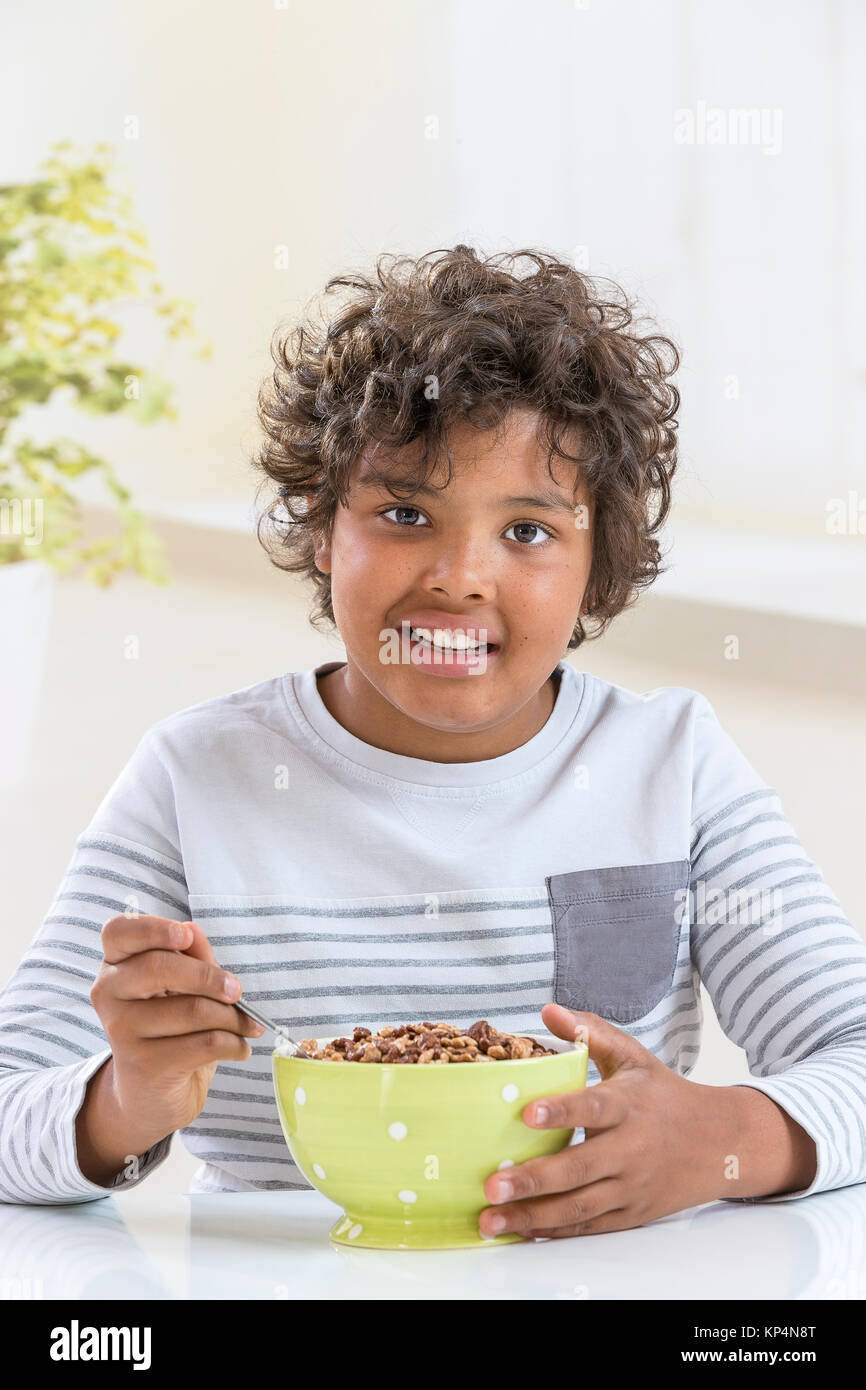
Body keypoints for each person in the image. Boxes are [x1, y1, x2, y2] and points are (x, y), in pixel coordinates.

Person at [1, 245, 864, 1242]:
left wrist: (724, 1134)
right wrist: (127, 1097)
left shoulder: (672, 766)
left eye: (528, 531)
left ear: (599, 563)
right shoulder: (196, 778)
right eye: (404, 512)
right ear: (324, 531)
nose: (458, 576)